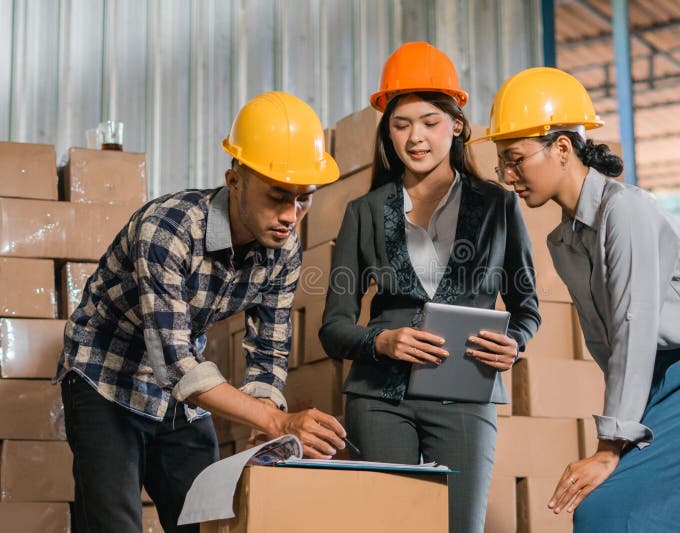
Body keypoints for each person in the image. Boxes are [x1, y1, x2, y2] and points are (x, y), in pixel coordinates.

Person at [473, 67, 680, 531]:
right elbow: (608, 347)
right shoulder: (564, 242)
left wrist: (610, 446)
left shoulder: (626, 210)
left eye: (516, 159)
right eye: (503, 164)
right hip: (665, 389)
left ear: (561, 147)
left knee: (607, 512)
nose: (509, 176)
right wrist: (631, 422)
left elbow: (634, 325)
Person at [54, 92, 348, 533]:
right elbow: (174, 364)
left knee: (207, 520)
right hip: (106, 375)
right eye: (277, 196)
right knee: (114, 524)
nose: (291, 216)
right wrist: (278, 419)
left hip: (180, 386)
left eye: (304, 199)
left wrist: (265, 417)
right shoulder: (167, 229)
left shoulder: (284, 250)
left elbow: (268, 353)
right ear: (234, 180)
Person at [319, 42, 541, 533]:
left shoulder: (498, 206)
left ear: (457, 125)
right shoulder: (364, 213)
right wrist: (380, 340)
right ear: (388, 132)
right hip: (378, 398)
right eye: (401, 125)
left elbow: (527, 309)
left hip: (464, 393)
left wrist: (515, 345)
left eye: (429, 122)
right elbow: (333, 328)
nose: (415, 137)